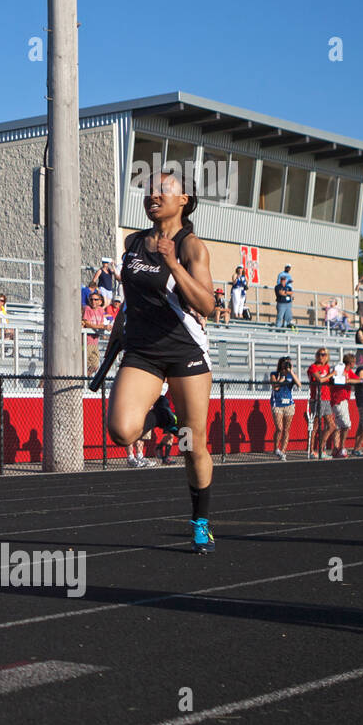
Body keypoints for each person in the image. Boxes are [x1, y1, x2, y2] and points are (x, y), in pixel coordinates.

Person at [105, 168, 218, 554]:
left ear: (184, 200)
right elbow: (133, 295)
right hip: (143, 350)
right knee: (121, 430)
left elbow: (208, 305)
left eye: (162, 191)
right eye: (148, 191)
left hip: (185, 349)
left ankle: (200, 521)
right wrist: (119, 327)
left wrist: (173, 264)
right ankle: (163, 418)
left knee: (193, 445)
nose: (152, 196)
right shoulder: (134, 241)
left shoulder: (191, 246)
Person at [327, 352, 359, 458]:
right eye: (353, 362)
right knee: (346, 424)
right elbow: (341, 380)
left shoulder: (349, 372)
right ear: (350, 362)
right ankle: (341, 447)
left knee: (338, 425)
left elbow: (357, 379)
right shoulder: (341, 370)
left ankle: (336, 448)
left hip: (342, 400)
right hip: (339, 400)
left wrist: (351, 380)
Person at [268, 357, 298, 461]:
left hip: (289, 404)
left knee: (286, 429)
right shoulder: (274, 374)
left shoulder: (291, 376)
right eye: (286, 364)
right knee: (279, 428)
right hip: (277, 404)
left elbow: (299, 384)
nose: (287, 366)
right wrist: (282, 377)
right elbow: (275, 387)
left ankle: (283, 451)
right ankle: (276, 448)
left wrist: (291, 372)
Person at [306, 347, 334, 459]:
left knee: (331, 425)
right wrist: (332, 374)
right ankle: (311, 451)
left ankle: (321, 448)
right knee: (316, 426)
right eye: (319, 354)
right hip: (318, 398)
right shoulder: (313, 367)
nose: (321, 357)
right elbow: (320, 380)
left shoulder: (326, 367)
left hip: (326, 398)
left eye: (323, 355)